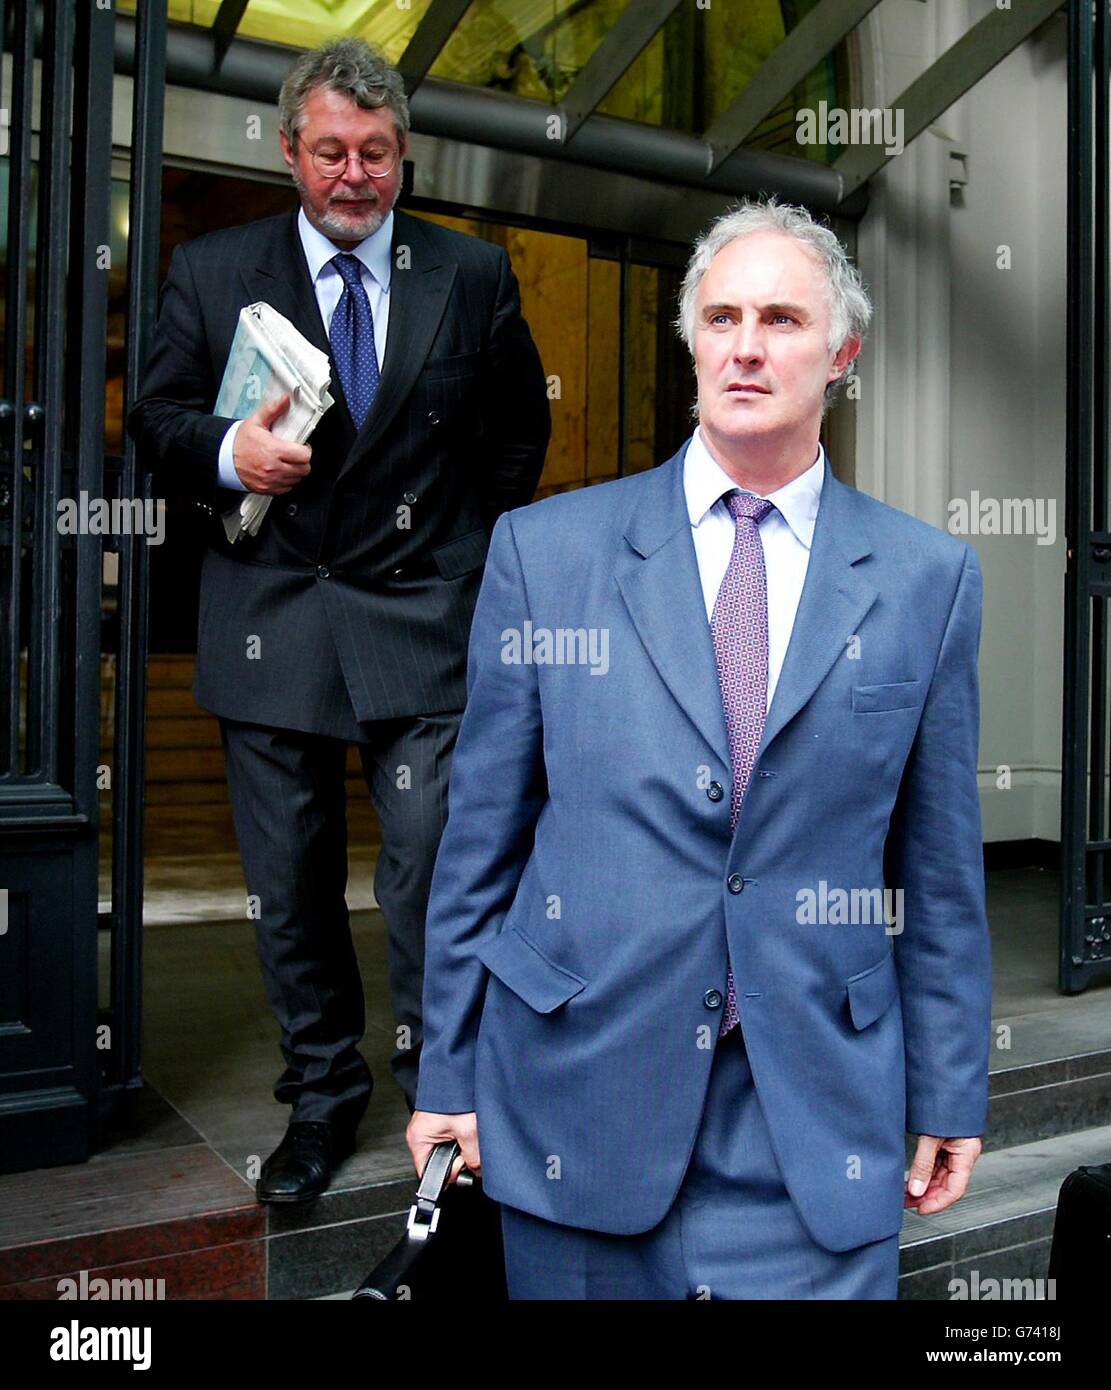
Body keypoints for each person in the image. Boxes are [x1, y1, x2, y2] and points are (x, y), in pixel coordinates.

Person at [407, 196, 991, 1298]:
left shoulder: (927, 580)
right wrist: (446, 1064)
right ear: (690, 344)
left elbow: (944, 873)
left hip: (816, 1121)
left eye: (779, 318)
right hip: (578, 1099)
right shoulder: (547, 554)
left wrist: (951, 1086)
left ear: (842, 353)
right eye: (720, 317)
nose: (745, 346)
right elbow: (477, 842)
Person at [128, 37, 551, 1203]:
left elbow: (517, 435)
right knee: (293, 880)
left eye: (375, 153)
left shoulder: (468, 274)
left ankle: (443, 1095)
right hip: (270, 617)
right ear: (288, 151)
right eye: (330, 152)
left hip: (423, 620)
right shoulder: (214, 270)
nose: (354, 176)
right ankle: (322, 1097)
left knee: (433, 873)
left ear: (402, 152)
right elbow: (152, 419)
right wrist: (232, 453)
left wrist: (459, 552)